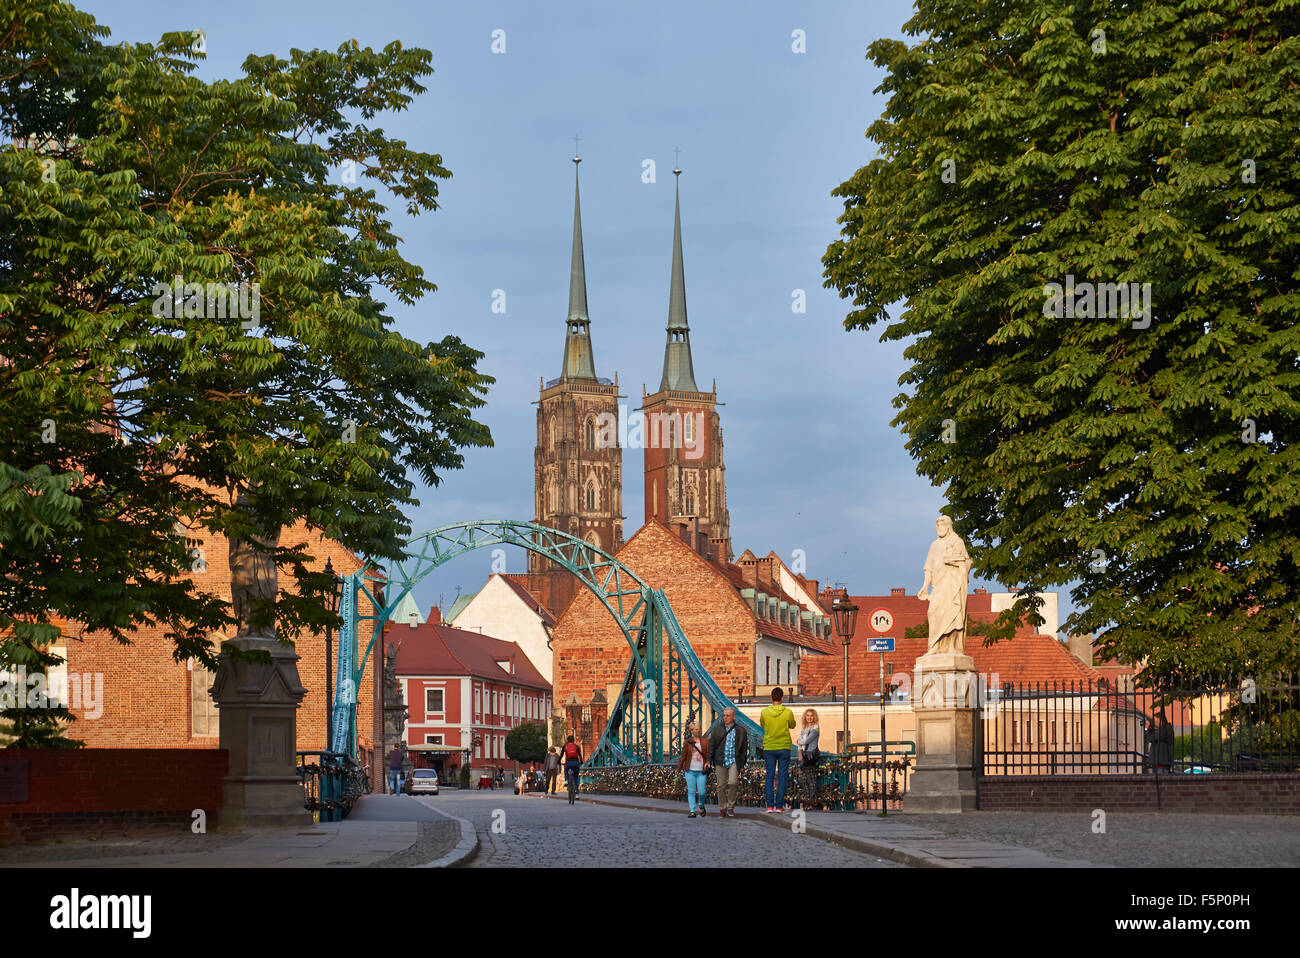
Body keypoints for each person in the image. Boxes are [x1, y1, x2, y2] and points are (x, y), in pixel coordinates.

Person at [705, 707, 749, 817]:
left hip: (734, 760)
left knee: (733, 783)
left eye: (728, 715)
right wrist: (708, 760)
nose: (725, 717)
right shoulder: (717, 729)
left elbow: (744, 749)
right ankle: (722, 808)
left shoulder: (741, 731)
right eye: (724, 715)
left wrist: (742, 764)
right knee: (721, 785)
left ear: (734, 717)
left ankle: (730, 807)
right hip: (720, 760)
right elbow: (711, 746)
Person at [760, 687, 796, 812]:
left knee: (769, 776)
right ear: (782, 698)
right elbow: (792, 725)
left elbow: (762, 725)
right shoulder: (788, 712)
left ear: (771, 698)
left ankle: (770, 805)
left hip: (769, 746)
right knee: (782, 776)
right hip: (784, 746)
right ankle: (779, 806)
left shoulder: (764, 712)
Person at [676, 723, 710, 818]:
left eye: (699, 729)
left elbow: (708, 755)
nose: (697, 731)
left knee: (702, 792)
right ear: (691, 731)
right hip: (690, 770)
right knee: (691, 791)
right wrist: (679, 768)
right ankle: (692, 811)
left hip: (701, 771)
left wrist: (708, 762)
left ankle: (701, 805)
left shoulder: (705, 742)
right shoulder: (688, 742)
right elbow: (683, 756)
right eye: (695, 729)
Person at [796, 708, 821, 810]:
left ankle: (813, 803)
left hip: (811, 756)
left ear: (814, 717)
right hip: (804, 756)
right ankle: (807, 801)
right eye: (808, 716)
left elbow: (806, 740)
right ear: (805, 717)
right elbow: (800, 745)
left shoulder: (815, 728)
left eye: (811, 716)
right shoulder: (804, 729)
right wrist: (799, 754)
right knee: (803, 780)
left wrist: (799, 740)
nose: (809, 718)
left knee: (811, 780)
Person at [562, 735, 583, 804]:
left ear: (567, 740)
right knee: (576, 778)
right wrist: (581, 762)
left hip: (568, 763)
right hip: (576, 763)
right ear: (573, 740)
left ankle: (566, 780)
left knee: (565, 769)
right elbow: (580, 756)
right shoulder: (577, 747)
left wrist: (558, 762)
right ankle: (576, 793)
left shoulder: (565, 746)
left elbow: (561, 755)